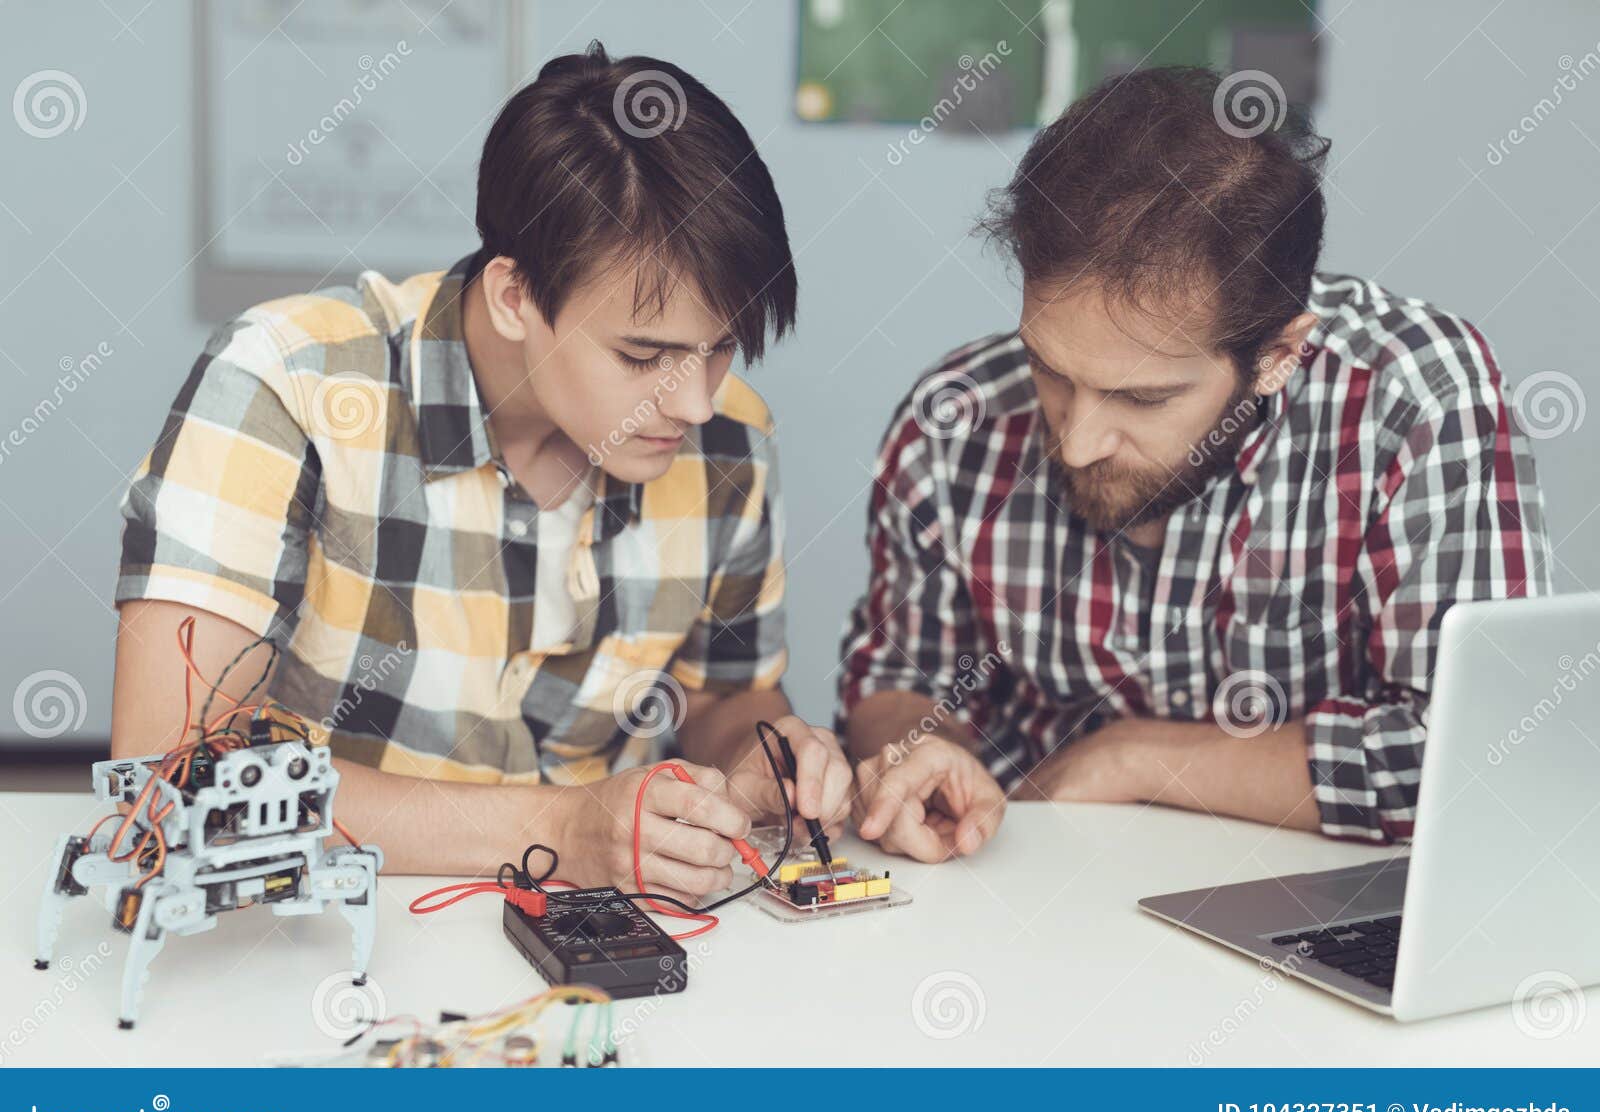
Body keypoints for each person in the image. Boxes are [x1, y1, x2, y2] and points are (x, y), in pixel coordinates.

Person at [111, 43, 851, 898]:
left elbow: (727, 699)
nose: (694, 403)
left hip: (611, 948)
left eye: (721, 347)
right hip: (325, 922)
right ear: (515, 297)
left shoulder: (731, 440)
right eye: (645, 356)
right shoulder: (288, 387)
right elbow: (163, 774)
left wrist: (765, 760)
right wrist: (559, 830)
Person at [838, 66, 1550, 861]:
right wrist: (917, 756)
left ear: (1278, 354)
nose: (1075, 443)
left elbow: (1477, 754)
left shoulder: (1414, 396)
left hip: (1317, 900)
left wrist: (1140, 758)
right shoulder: (956, 417)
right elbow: (894, 684)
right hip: (1023, 882)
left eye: (1141, 400)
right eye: (1049, 369)